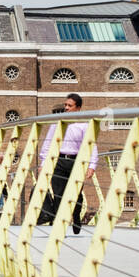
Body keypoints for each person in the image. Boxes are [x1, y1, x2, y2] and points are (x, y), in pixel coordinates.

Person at [38, 93, 97, 235]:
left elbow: (91, 145)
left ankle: (76, 215)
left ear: (78, 108)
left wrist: (92, 165)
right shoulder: (57, 123)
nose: (66, 108)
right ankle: (59, 226)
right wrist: (43, 163)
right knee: (58, 194)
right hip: (58, 161)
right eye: (65, 105)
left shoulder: (84, 125)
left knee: (76, 194)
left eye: (69, 106)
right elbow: (47, 144)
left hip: (77, 162)